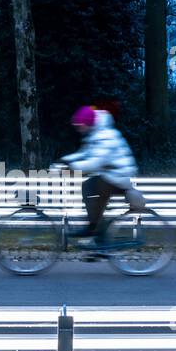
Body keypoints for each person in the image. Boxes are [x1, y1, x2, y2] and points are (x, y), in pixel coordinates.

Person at [58, 106, 142, 249]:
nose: (79, 129)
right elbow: (84, 154)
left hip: (119, 176)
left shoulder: (105, 136)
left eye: (80, 126)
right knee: (92, 189)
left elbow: (96, 162)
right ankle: (99, 238)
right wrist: (65, 160)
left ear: (87, 123)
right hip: (111, 175)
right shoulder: (95, 133)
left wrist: (72, 167)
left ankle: (93, 229)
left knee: (89, 187)